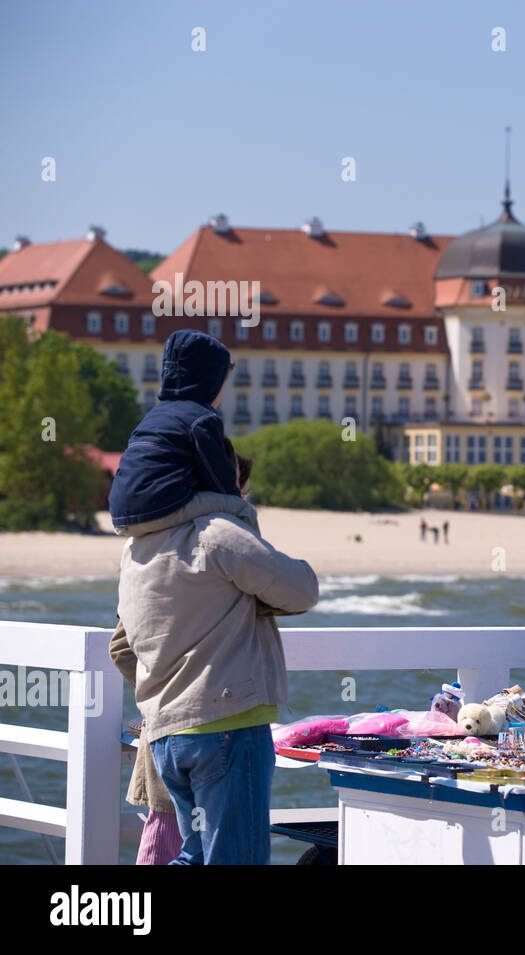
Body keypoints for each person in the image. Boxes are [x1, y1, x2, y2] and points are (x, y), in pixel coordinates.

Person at [116, 435, 318, 865]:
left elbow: (124, 642)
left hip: (168, 733)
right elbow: (302, 589)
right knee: (235, 857)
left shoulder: (139, 546)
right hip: (226, 724)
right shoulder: (218, 533)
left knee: (194, 855)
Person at [109, 330, 240, 528]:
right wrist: (236, 497)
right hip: (159, 508)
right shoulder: (202, 418)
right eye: (224, 382)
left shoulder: (153, 416)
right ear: (211, 380)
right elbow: (220, 482)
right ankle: (259, 558)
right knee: (240, 507)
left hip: (120, 514)